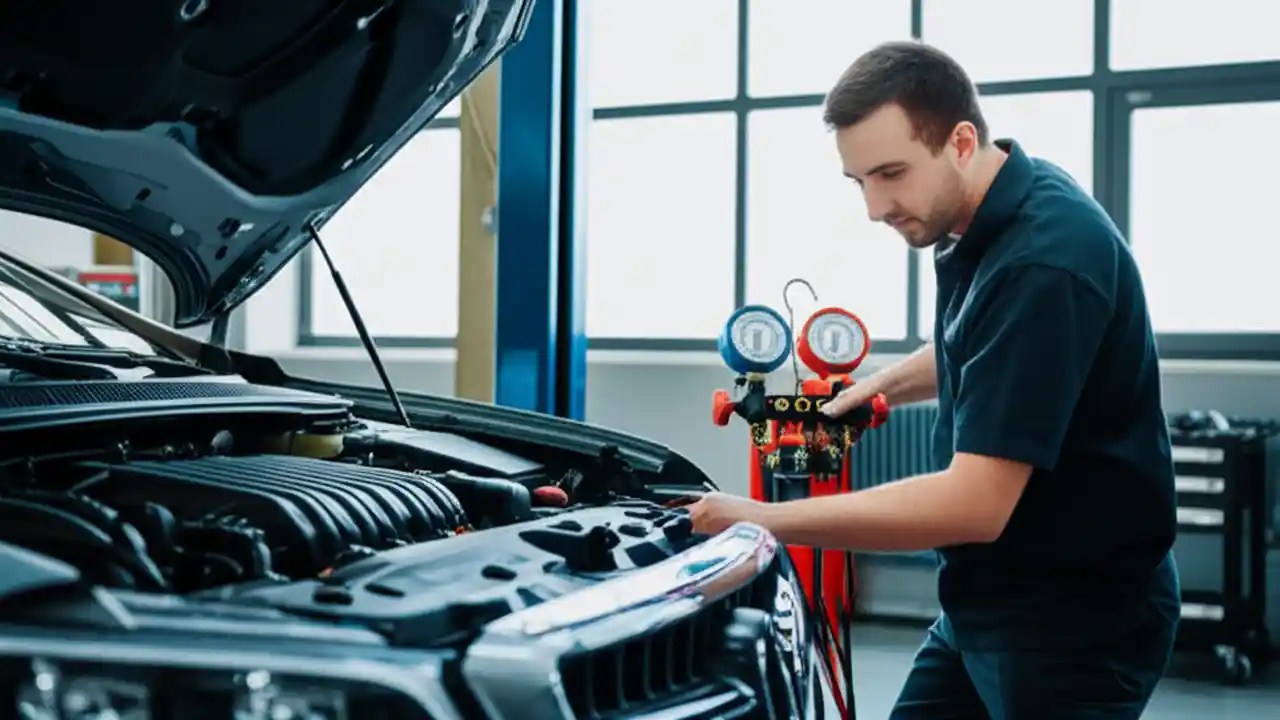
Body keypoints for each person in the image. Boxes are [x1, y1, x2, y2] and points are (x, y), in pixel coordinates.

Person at [687, 40, 1181, 719]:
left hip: (1074, 624)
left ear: (960, 140)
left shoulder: (1044, 262)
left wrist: (765, 520)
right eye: (859, 181)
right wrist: (875, 387)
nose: (875, 206)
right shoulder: (997, 205)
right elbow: (972, 339)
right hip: (987, 601)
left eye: (892, 173)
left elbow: (971, 506)